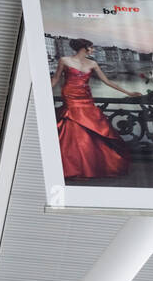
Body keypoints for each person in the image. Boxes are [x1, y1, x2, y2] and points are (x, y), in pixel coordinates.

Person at [50, 38, 141, 180]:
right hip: (70, 95)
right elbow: (55, 79)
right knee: (73, 125)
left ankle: (89, 162)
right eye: (91, 48)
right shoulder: (64, 60)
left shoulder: (92, 63)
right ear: (84, 48)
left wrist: (129, 93)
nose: (93, 50)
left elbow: (107, 82)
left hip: (85, 97)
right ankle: (73, 165)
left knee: (89, 126)